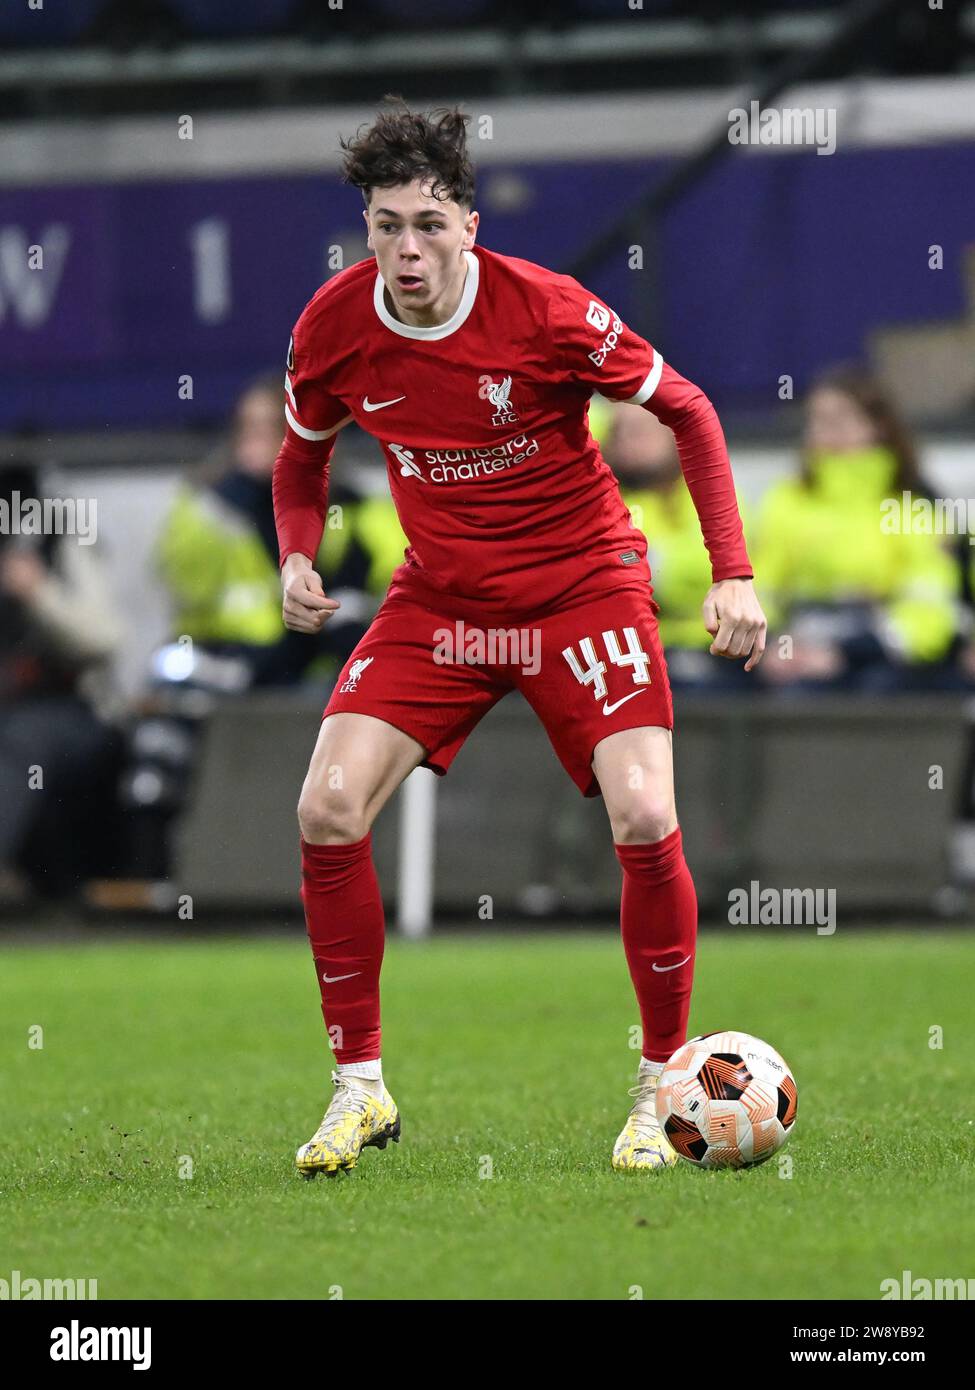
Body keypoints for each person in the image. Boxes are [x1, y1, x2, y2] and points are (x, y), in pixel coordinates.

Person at [272, 102, 766, 1178]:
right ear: (365, 227)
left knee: (643, 811)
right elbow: (302, 453)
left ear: (470, 226)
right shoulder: (335, 324)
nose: (408, 249)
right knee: (324, 805)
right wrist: (297, 554)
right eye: (387, 225)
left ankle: (660, 1085)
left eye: (430, 225)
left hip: (581, 589)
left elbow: (689, 410)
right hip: (442, 601)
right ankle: (359, 1087)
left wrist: (731, 571)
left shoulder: (546, 310)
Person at [157, 374, 394, 687]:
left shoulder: (353, 506)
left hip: (316, 667)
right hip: (225, 662)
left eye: (269, 428)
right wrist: (238, 498)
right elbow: (185, 582)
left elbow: (395, 575)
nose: (254, 440)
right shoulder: (209, 507)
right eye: (247, 427)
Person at [756, 367, 961, 692]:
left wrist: (851, 653)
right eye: (817, 420)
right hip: (802, 647)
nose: (826, 431)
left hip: (881, 656)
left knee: (875, 694)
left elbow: (931, 609)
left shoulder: (911, 504)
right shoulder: (785, 501)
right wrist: (770, 648)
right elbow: (761, 589)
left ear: (877, 426)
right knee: (793, 695)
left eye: (841, 418)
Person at [0, 463, 124, 898]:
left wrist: (38, 592)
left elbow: (104, 637)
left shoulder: (65, 542)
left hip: (72, 711)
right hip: (11, 711)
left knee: (21, 740)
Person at [600, 400, 753, 692]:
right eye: (620, 431)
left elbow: (711, 569)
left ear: (673, 435)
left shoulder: (706, 492)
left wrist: (644, 566)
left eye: (642, 430)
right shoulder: (600, 498)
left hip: (701, 644)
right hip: (621, 649)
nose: (629, 441)